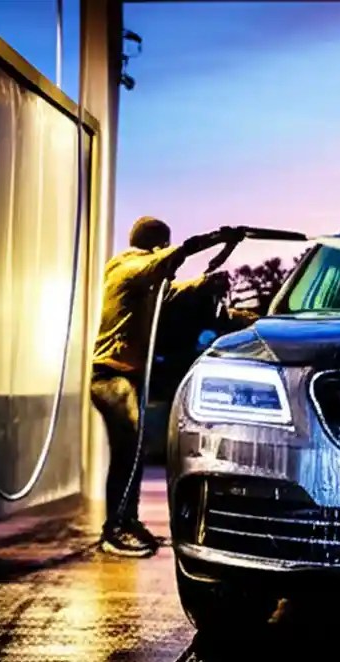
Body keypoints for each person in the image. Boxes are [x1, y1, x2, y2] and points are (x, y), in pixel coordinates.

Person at [91, 216, 240, 557]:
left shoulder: (146, 281)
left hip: (127, 376)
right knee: (127, 449)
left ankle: (127, 520)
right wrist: (211, 239)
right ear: (157, 246)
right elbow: (169, 259)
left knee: (133, 450)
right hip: (110, 376)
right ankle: (114, 529)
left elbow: (173, 291)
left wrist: (205, 283)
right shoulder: (127, 268)